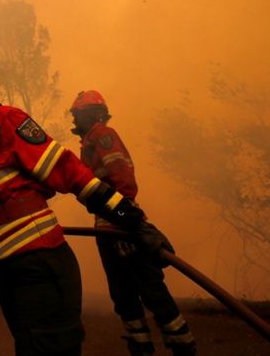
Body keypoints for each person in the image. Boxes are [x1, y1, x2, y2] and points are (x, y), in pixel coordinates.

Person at [0, 53, 170, 356]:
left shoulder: (7, 121)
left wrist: (133, 221)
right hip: (2, 270)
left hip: (41, 263)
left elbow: (73, 176)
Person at [69, 90, 197, 356]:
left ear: (91, 114)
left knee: (149, 288)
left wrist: (125, 222)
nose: (75, 120)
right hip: (107, 229)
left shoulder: (104, 136)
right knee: (122, 292)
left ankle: (182, 346)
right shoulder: (89, 142)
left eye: (78, 114)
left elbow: (123, 178)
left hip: (121, 227)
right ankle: (140, 344)